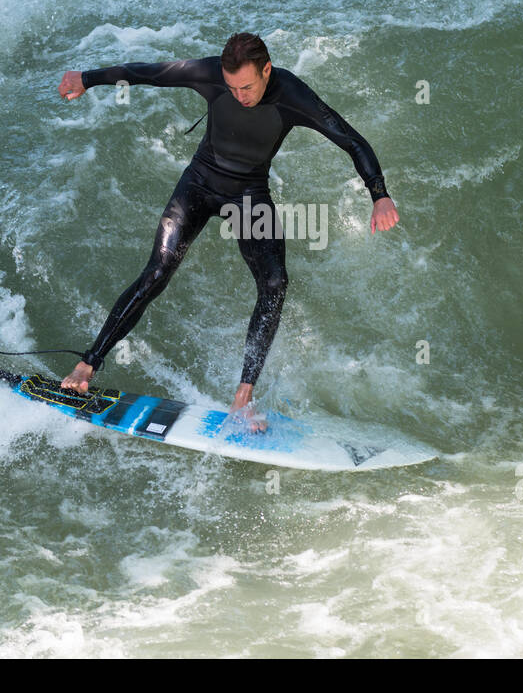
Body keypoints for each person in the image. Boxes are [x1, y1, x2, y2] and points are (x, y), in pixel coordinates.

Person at [56, 32, 399, 430]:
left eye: (247, 87)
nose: (239, 95)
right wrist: (87, 77)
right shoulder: (211, 74)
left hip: (248, 195)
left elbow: (351, 140)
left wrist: (379, 195)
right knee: (158, 270)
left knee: (274, 283)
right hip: (199, 185)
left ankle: (242, 399)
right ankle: (87, 365)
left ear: (267, 71)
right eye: (231, 87)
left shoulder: (292, 94)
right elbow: (146, 72)